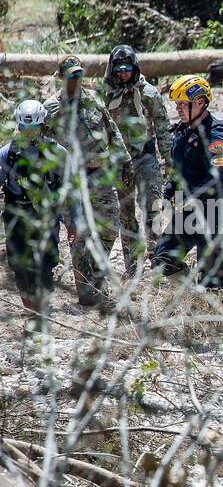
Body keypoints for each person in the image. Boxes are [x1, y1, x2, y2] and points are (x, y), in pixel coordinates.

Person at [43, 55, 130, 308]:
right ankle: (86, 291)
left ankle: (97, 278)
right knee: (78, 235)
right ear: (61, 77)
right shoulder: (50, 108)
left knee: (111, 227)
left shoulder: (94, 101)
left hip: (101, 175)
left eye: (79, 74)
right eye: (71, 75)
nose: (76, 79)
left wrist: (124, 163)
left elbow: (112, 130)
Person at [155, 75, 223, 297]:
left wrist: (193, 197)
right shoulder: (183, 131)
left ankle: (222, 321)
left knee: (212, 281)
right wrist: (168, 191)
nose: (178, 109)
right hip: (187, 213)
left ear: (200, 102)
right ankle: (193, 300)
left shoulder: (216, 134)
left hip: (212, 214)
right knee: (164, 260)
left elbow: (221, 177)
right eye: (176, 105)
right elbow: (178, 169)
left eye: (182, 104)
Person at [1, 100, 72, 316]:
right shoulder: (6, 154)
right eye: (25, 127)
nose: (29, 132)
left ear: (42, 125)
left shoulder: (57, 153)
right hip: (16, 212)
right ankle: (29, 301)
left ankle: (42, 302)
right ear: (18, 126)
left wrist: (73, 222)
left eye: (34, 127)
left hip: (45, 213)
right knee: (18, 261)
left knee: (46, 259)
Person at [102, 44, 169, 271]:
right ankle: (133, 265)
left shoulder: (148, 93)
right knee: (125, 213)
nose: (123, 73)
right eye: (118, 69)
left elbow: (162, 126)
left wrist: (170, 161)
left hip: (146, 157)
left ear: (135, 68)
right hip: (119, 163)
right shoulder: (105, 95)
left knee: (153, 206)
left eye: (127, 69)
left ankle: (158, 257)